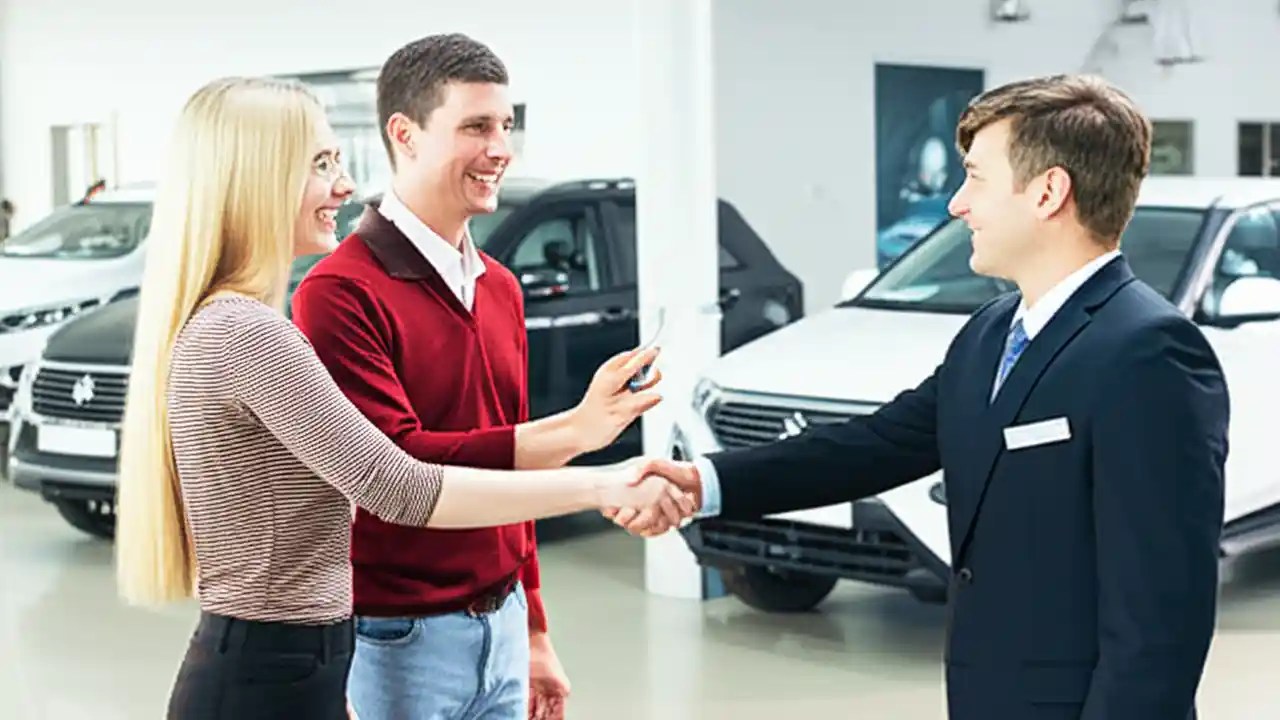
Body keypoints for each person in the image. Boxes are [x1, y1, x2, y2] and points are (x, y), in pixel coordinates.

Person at [624, 74, 1229, 720]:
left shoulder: (1150, 353)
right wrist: (702, 482)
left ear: (1049, 192)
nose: (956, 205)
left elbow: (1159, 626)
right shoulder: (991, 333)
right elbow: (876, 446)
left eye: (976, 178)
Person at [113, 76, 694, 720]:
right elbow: (401, 486)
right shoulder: (249, 333)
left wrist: (530, 617)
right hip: (271, 678)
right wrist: (600, 485)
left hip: (294, 666)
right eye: (320, 164)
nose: (343, 185)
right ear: (255, 179)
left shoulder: (231, 324)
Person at [291, 33, 663, 720]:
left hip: (505, 626)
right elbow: (396, 468)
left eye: (505, 126)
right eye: (476, 127)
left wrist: (535, 628)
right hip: (398, 641)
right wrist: (572, 435)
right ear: (404, 134)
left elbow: (510, 488)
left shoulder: (499, 288)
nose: (501, 148)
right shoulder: (338, 291)